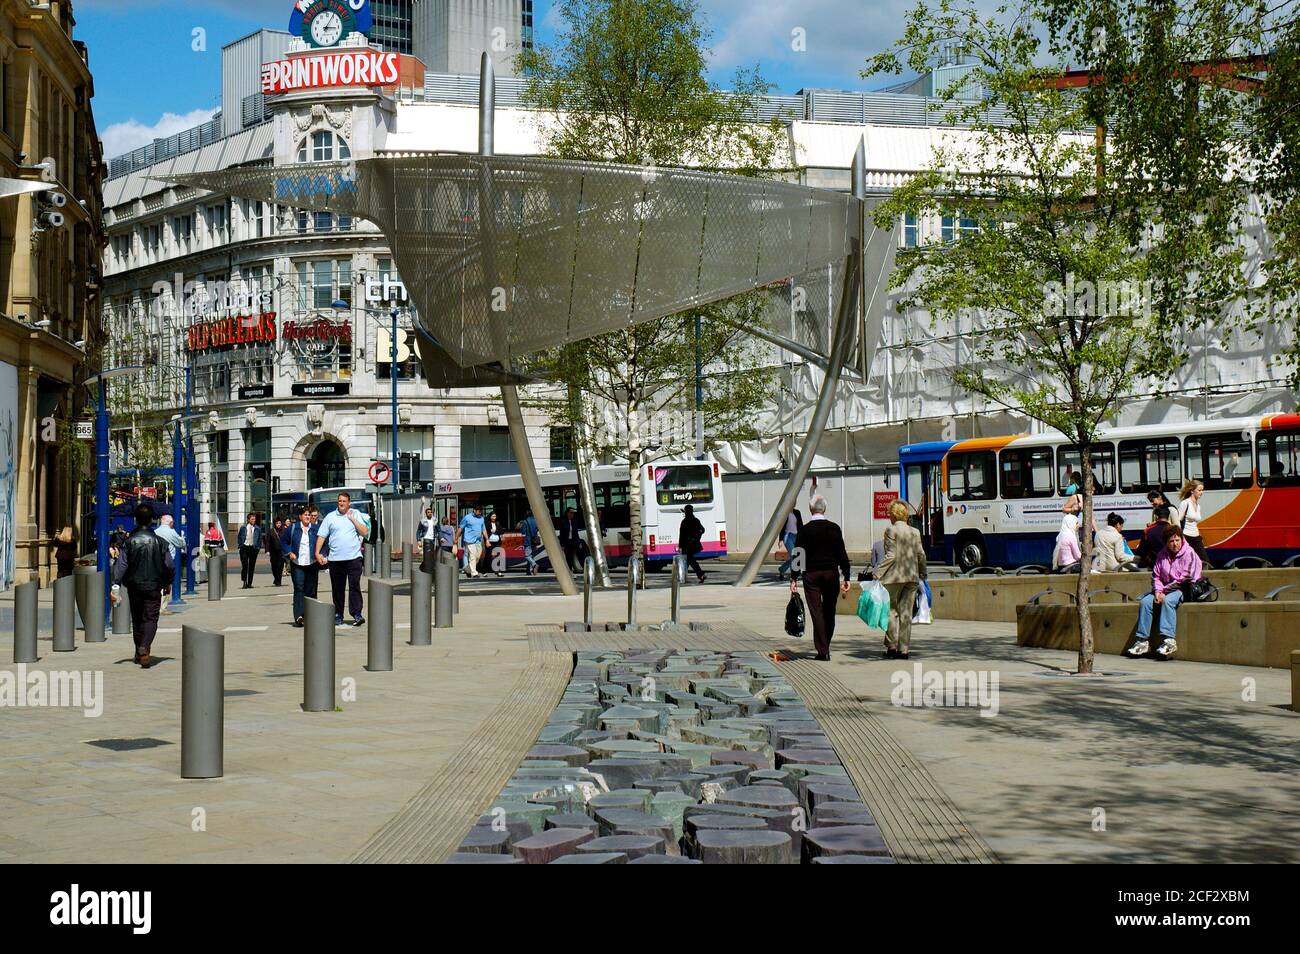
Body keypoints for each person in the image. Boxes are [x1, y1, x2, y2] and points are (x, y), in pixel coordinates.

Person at [789, 495, 851, 662]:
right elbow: (841, 553)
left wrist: (794, 578)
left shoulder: (805, 530)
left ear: (810, 509)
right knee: (829, 611)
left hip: (811, 575)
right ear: (824, 509)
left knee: (816, 612)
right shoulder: (834, 528)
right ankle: (825, 646)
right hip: (831, 573)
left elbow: (798, 555)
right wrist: (846, 575)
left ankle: (823, 650)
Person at [112, 503, 174, 669]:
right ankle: (144, 648)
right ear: (152, 520)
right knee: (151, 618)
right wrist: (168, 582)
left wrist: (115, 584)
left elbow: (121, 565)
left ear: (136, 520)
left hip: (134, 585)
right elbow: (169, 565)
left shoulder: (129, 541)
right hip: (154, 585)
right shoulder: (160, 542)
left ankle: (139, 650)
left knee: (137, 617)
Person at [1127, 525, 1202, 659]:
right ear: (1166, 542)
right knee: (1145, 602)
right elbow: (1156, 576)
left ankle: (1169, 640)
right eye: (1171, 541)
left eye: (1177, 540)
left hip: (1183, 589)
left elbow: (1185, 578)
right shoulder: (1162, 555)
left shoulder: (1189, 553)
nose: (1174, 544)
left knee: (1168, 601)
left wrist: (1163, 592)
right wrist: (1157, 592)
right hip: (1163, 590)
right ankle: (1142, 641)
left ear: (1182, 539)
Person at [876, 500, 928, 660]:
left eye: (890, 514)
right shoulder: (915, 532)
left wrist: (878, 573)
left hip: (894, 577)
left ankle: (892, 646)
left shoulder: (891, 530)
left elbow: (891, 555)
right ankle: (904, 650)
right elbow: (921, 554)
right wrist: (923, 573)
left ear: (893, 515)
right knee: (906, 613)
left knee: (891, 611)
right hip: (912, 577)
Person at [315, 492, 368, 626]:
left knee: (354, 586)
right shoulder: (330, 517)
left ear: (349, 503)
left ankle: (356, 613)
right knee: (337, 588)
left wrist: (353, 520)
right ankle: (338, 614)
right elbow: (321, 536)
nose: (342, 503)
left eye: (344, 501)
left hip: (354, 558)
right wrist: (317, 553)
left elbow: (365, 532)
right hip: (336, 559)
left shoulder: (355, 514)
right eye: (340, 501)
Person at [283, 505, 320, 627]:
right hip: (297, 563)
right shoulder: (293, 528)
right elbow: (283, 541)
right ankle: (299, 616)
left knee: (310, 590)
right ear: (300, 517)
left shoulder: (316, 529)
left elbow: (324, 542)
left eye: (309, 515)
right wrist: (290, 552)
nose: (307, 517)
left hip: (312, 563)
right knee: (299, 588)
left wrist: (322, 554)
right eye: (305, 515)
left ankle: (309, 615)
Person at [1176, 479, 1210, 566]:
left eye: (1202, 490)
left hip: (1196, 537)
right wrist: (1180, 537)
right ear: (1192, 491)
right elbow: (1178, 521)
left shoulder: (1198, 506)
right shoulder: (1185, 503)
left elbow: (1195, 523)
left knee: (1205, 561)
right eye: (1199, 490)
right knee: (1186, 562)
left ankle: (1200, 579)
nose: (1201, 492)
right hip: (1186, 536)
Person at [677, 504, 707, 583]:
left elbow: (681, 535)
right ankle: (682, 576)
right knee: (688, 561)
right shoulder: (695, 520)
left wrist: (680, 546)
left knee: (690, 560)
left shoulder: (684, 522)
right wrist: (696, 537)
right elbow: (702, 530)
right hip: (693, 545)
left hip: (687, 545)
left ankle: (700, 575)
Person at [456, 504, 486, 578]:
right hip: (469, 541)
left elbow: (484, 529)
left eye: (481, 512)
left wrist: (487, 539)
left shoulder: (481, 518)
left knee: (477, 557)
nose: (480, 513)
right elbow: (460, 528)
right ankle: (474, 573)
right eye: (479, 511)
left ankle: (467, 569)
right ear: (474, 510)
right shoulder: (467, 518)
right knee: (472, 556)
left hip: (478, 541)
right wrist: (456, 538)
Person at [237, 512, 262, 589]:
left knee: (252, 566)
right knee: (245, 566)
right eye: (252, 519)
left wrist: (257, 548)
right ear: (248, 520)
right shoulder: (243, 527)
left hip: (253, 549)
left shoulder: (257, 528)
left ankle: (250, 583)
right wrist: (240, 545)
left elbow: (259, 539)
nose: (254, 520)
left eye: (254, 519)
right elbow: (239, 537)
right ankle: (244, 582)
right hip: (244, 548)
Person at [777, 508, 803, 580]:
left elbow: (800, 525)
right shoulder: (785, 513)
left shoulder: (797, 512)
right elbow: (781, 527)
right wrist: (780, 540)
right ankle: (794, 575)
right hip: (787, 536)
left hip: (796, 536)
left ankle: (782, 569)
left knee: (795, 556)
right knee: (793, 555)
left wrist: (803, 537)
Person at [557, 507, 582, 573]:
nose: (572, 514)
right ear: (567, 513)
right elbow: (562, 534)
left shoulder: (574, 522)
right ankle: (569, 570)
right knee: (568, 556)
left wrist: (579, 542)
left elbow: (576, 533)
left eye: (573, 513)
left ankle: (571, 569)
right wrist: (562, 544)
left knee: (572, 556)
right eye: (570, 513)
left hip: (573, 542)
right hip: (566, 542)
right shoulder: (563, 521)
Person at [518, 509, 540, 576]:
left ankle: (534, 564)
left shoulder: (525, 522)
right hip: (534, 541)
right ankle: (529, 571)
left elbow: (523, 533)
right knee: (531, 556)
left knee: (527, 556)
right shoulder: (535, 521)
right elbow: (537, 529)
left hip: (527, 541)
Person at [418, 507, 439, 572]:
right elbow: (418, 531)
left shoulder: (435, 520)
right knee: (427, 555)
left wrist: (441, 538)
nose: (430, 513)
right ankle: (427, 569)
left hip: (433, 540)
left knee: (431, 555)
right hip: (426, 539)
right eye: (428, 512)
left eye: (431, 512)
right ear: (426, 514)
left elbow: (439, 530)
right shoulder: (423, 521)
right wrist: (418, 540)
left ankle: (423, 567)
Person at [266, 517, 286, 586]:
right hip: (273, 551)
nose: (278, 524)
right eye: (277, 523)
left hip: (281, 551)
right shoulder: (271, 531)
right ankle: (276, 578)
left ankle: (278, 581)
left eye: (279, 523)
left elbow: (287, 540)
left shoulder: (284, 531)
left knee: (280, 566)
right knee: (274, 566)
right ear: (275, 524)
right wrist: (267, 550)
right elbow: (267, 541)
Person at [484, 512, 504, 577]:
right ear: (490, 517)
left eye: (495, 516)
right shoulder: (487, 523)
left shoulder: (498, 523)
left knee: (498, 556)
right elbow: (484, 532)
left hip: (497, 542)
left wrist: (495, 531)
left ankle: (498, 571)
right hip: (489, 542)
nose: (493, 518)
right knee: (488, 556)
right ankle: (484, 570)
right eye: (492, 516)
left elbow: (501, 531)